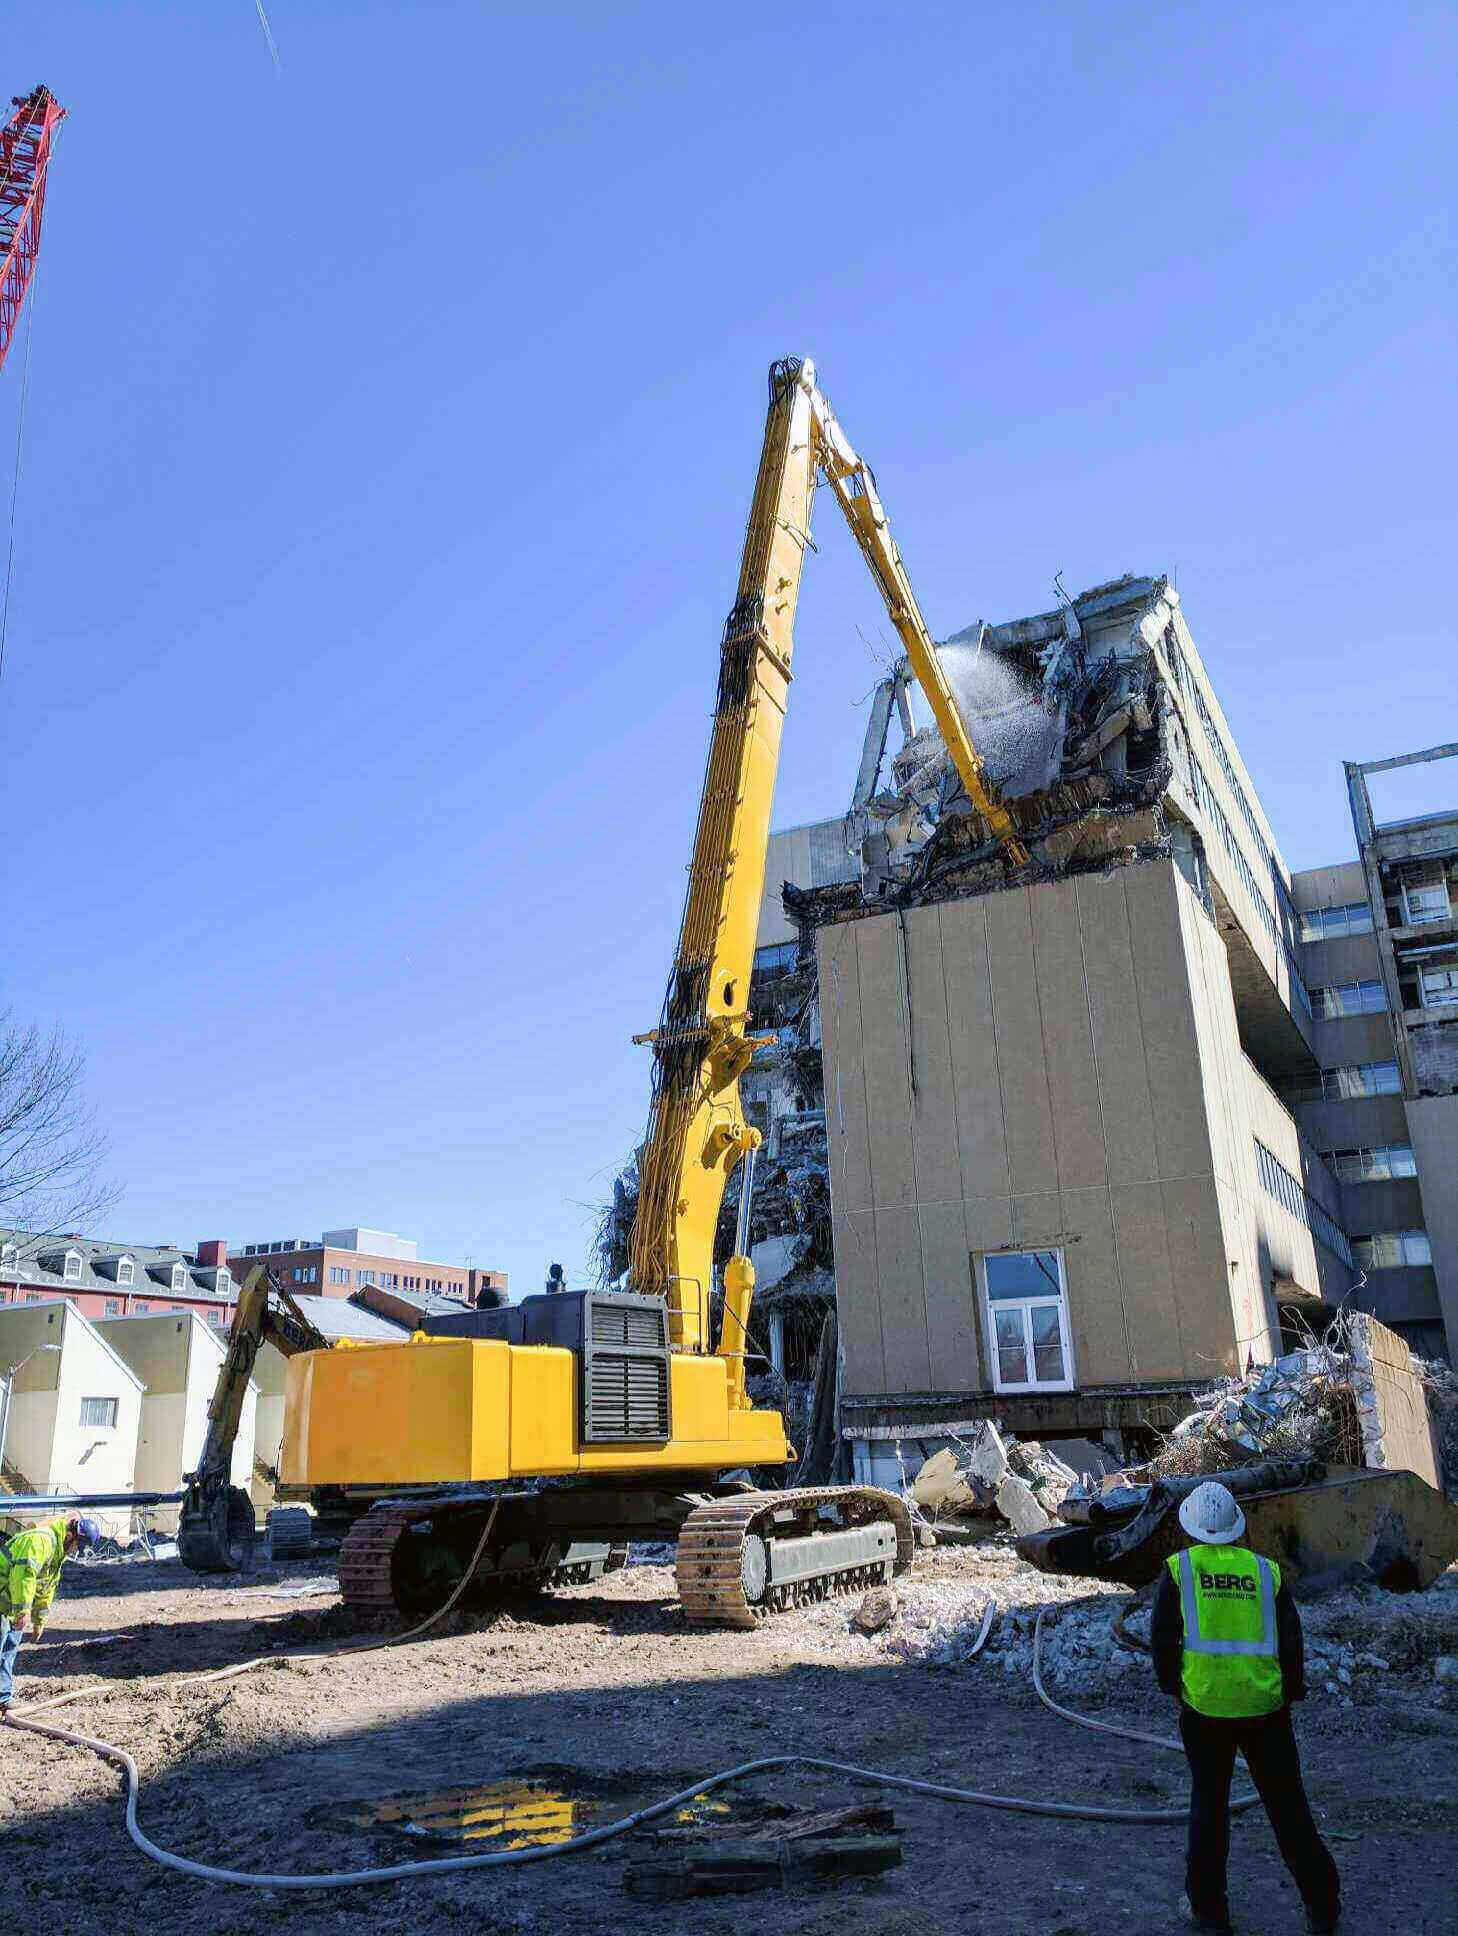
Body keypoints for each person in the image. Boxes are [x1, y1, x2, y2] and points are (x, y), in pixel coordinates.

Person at [1152, 1480, 1341, 1936]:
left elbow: (1163, 1639)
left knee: (1209, 1810)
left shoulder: (1180, 1570)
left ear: (1191, 1527)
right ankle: (1322, 1907)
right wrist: (1289, 1692)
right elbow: (1291, 1641)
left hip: (1205, 1708)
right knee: (1288, 1808)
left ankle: (1209, 1913)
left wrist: (1174, 1688)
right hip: (1265, 1709)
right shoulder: (1265, 1572)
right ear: (1236, 1527)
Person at [0, 1511, 103, 1714]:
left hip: (11, 1603)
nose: (75, 1551)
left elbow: (46, 1587)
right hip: (5, 1599)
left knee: (9, 1650)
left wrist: (39, 1621)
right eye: (77, 1546)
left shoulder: (57, 1551)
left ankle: (3, 1698)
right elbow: (24, 1576)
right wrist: (23, 1611)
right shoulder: (40, 1540)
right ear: (72, 1535)